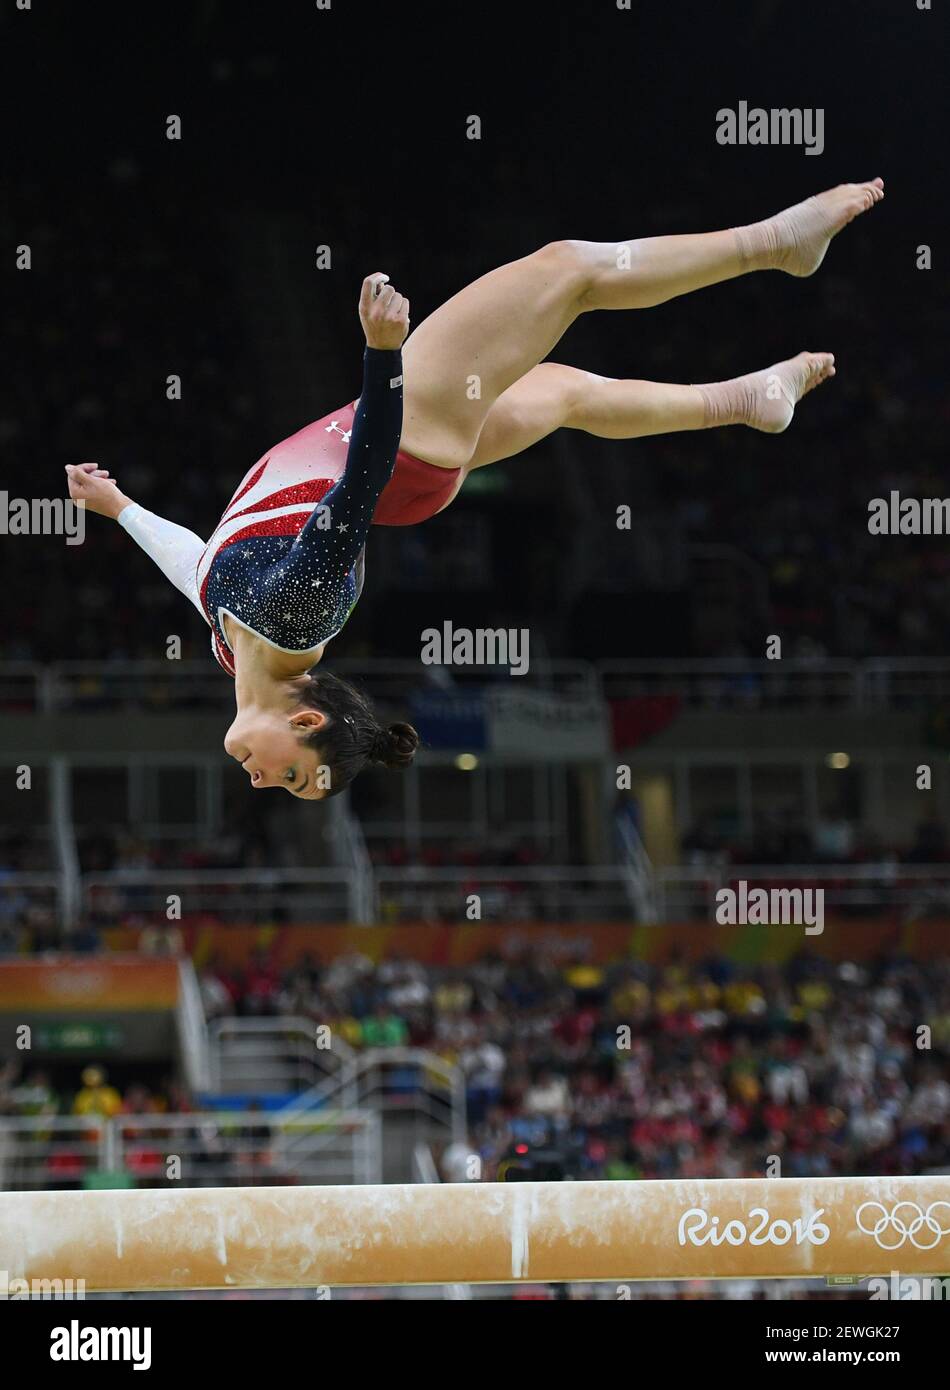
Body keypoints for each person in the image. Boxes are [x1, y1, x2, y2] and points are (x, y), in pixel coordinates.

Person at [65, 180, 884, 801]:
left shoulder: (235, 643)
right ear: (305, 721)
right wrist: (383, 356)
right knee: (570, 268)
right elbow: (354, 489)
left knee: (568, 394)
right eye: (291, 777)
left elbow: (194, 566)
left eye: (284, 787)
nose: (262, 782)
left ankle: (746, 399)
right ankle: (776, 244)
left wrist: (122, 509)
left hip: (410, 463)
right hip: (400, 436)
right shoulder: (296, 615)